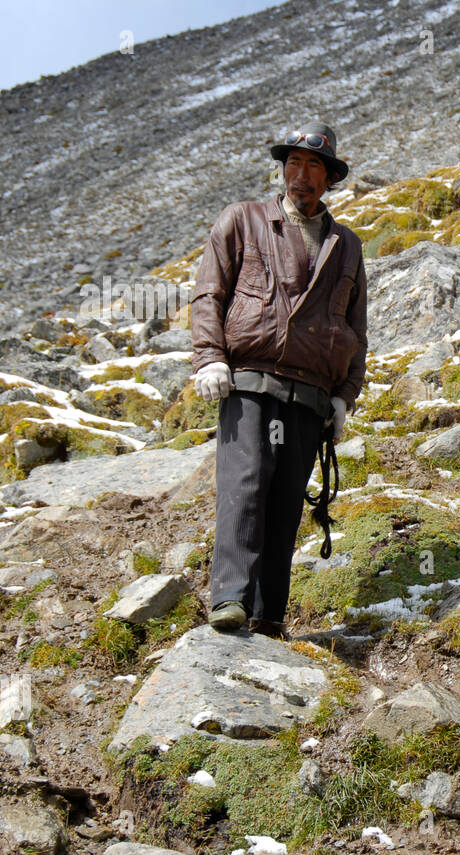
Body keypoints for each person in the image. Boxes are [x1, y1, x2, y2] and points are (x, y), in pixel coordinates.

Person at [188, 121, 367, 637]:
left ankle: (268, 616)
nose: (301, 175)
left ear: (329, 178)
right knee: (245, 486)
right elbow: (209, 294)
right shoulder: (242, 221)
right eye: (293, 163)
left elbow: (356, 329)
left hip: (309, 395)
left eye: (313, 166)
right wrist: (209, 357)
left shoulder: (347, 245)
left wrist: (343, 398)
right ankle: (230, 599)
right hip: (247, 380)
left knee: (287, 500)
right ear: (283, 169)